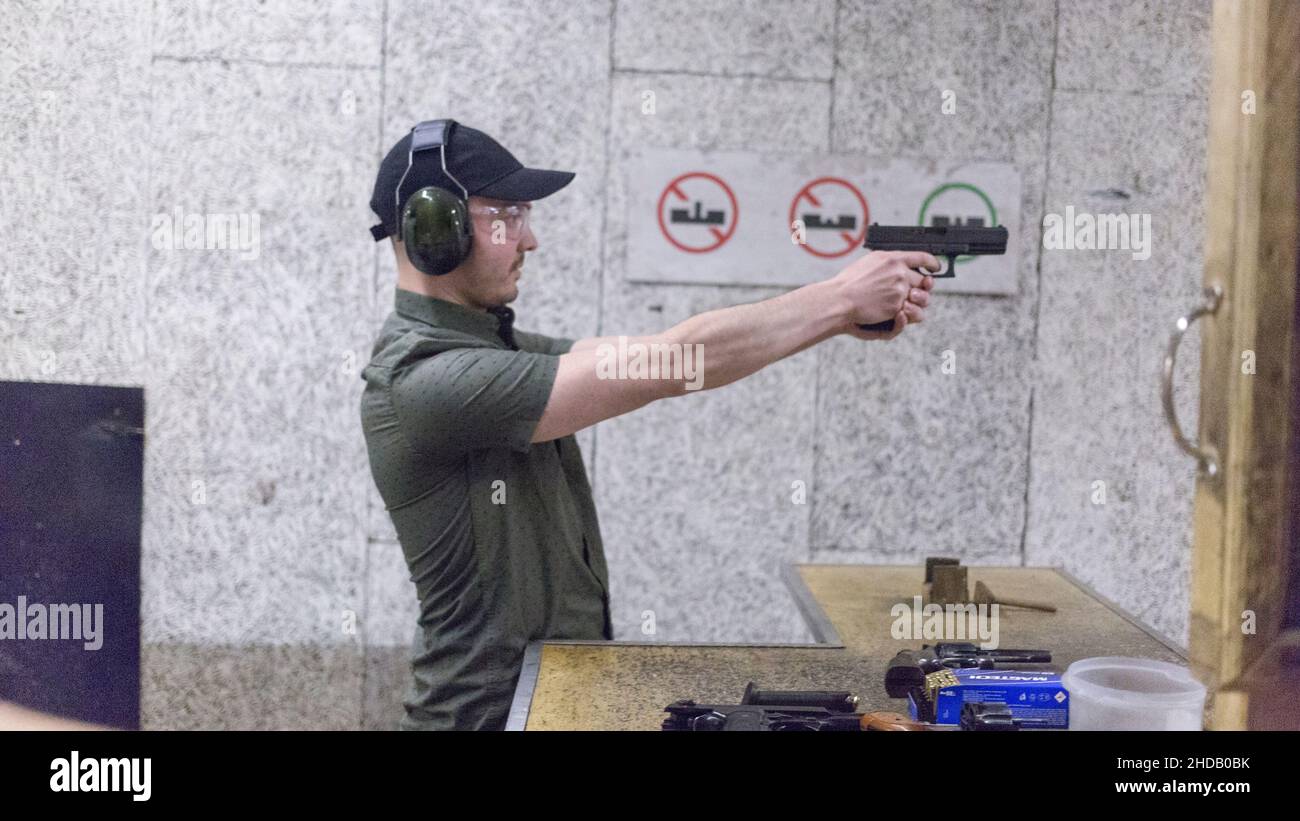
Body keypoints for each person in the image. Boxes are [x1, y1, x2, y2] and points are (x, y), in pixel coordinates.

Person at [359, 120, 937, 730]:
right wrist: (842, 297)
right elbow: (675, 364)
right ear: (434, 229)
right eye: (507, 215)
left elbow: (669, 353)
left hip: (544, 708)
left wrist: (834, 320)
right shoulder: (424, 380)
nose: (529, 240)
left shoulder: (495, 351)